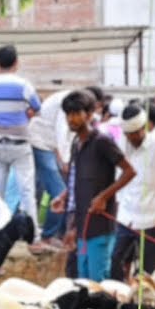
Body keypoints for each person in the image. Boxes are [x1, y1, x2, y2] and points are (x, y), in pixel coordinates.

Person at [53, 90, 135, 282]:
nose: (70, 119)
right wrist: (63, 197)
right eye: (68, 114)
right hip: (81, 225)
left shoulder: (102, 142)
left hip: (100, 225)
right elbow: (76, 180)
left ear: (89, 115)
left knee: (98, 280)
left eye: (76, 113)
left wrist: (103, 197)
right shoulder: (76, 143)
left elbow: (129, 171)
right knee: (83, 278)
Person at [110, 104, 155, 279]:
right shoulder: (122, 144)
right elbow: (119, 179)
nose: (133, 138)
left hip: (152, 218)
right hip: (126, 217)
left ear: (144, 127)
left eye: (136, 133)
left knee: (150, 271)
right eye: (129, 134)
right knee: (115, 260)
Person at [0, 45, 41, 222]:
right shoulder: (23, 85)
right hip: (20, 145)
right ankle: (33, 237)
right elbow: (37, 108)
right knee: (27, 191)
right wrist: (24, 114)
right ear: (16, 62)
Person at [28, 89, 71, 240]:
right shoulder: (67, 101)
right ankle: (47, 235)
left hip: (48, 145)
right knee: (59, 193)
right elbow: (61, 132)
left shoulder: (65, 99)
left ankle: (59, 234)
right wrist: (64, 161)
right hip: (40, 143)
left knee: (56, 190)